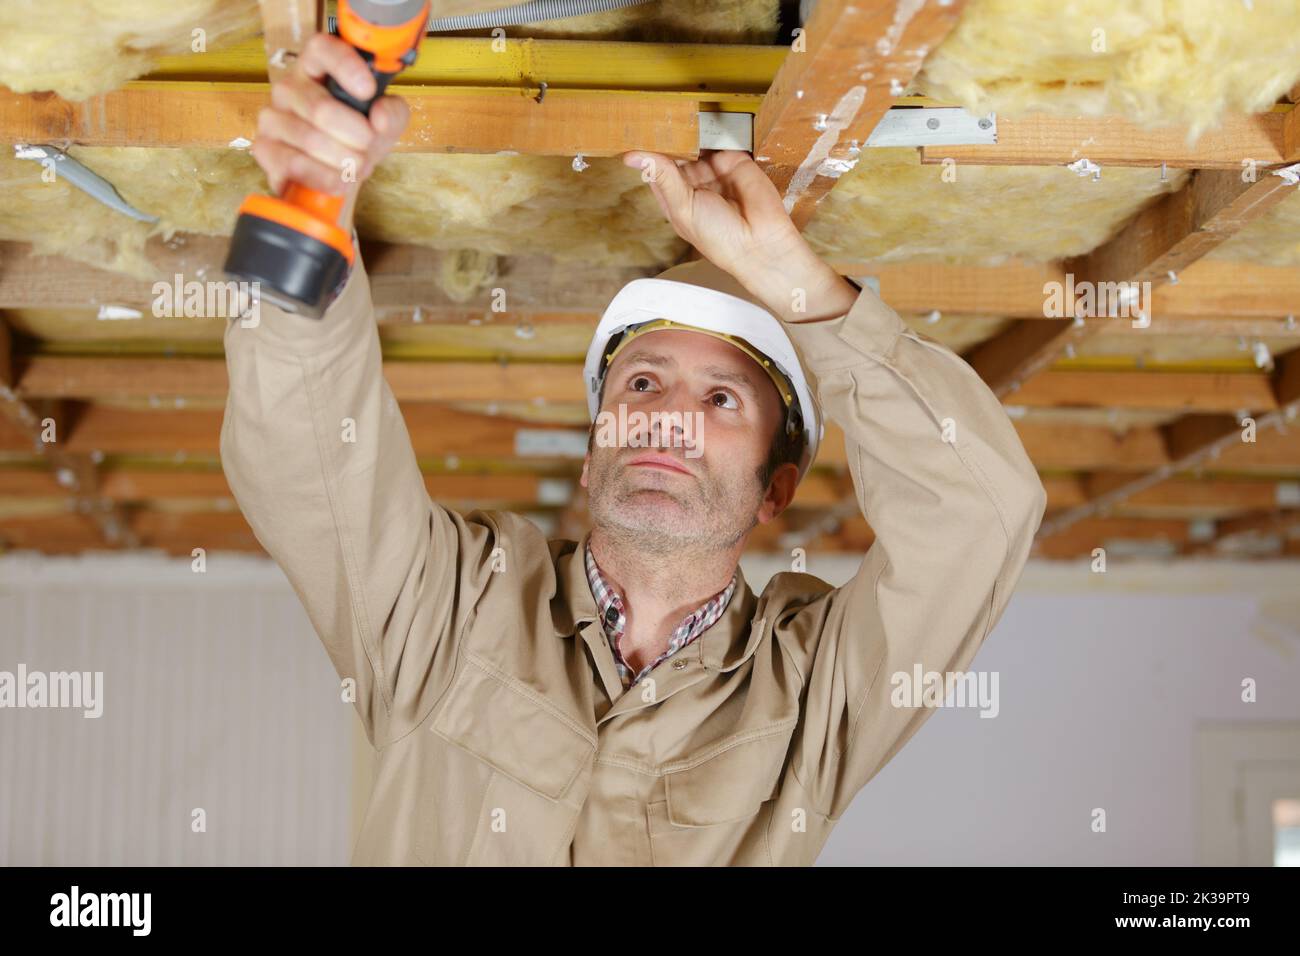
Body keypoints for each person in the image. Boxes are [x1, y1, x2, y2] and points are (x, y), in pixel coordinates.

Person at [221, 33, 1047, 866]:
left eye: (721, 398)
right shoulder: (454, 606)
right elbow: (310, 455)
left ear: (776, 489)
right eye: (643, 385)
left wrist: (802, 290)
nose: (669, 420)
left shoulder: (810, 698)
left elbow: (979, 514)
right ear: (591, 453)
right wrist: (311, 212)